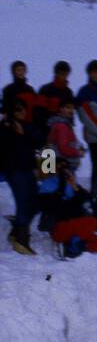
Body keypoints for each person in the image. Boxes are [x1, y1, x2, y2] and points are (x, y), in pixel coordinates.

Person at [37, 163, 97, 258]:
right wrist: (61, 185)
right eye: (61, 169)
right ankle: (72, 244)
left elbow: (86, 199)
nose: (65, 172)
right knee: (92, 221)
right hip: (59, 227)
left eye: (67, 169)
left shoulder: (72, 185)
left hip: (77, 230)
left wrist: (74, 186)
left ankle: (73, 246)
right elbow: (50, 204)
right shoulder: (48, 184)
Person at [1, 98, 41, 254]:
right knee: (23, 202)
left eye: (23, 109)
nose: (22, 112)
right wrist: (16, 134)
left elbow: (40, 143)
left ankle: (16, 231)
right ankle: (22, 240)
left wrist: (23, 134)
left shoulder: (28, 126)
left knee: (35, 202)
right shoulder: (4, 128)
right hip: (14, 170)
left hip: (28, 168)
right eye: (18, 109)